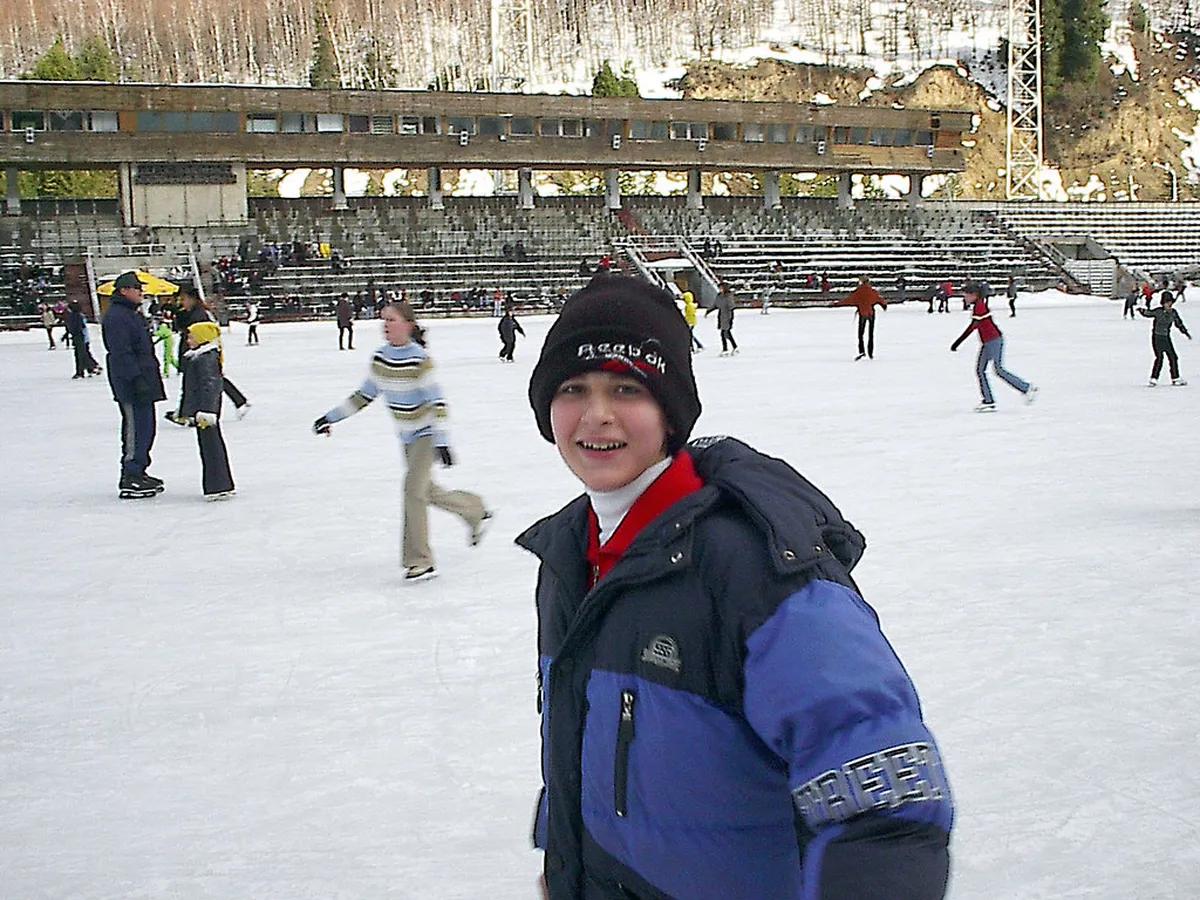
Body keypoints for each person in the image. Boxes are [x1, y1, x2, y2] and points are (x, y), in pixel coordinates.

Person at [518, 275, 953, 899]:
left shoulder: (755, 566)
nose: (597, 415)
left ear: (670, 411)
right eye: (573, 389)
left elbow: (886, 802)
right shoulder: (569, 553)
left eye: (627, 389)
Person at [312, 301, 491, 582]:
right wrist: (330, 418)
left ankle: (420, 560)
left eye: (392, 320)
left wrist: (442, 442)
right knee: (425, 490)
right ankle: (475, 510)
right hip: (406, 438)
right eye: (383, 320)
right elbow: (363, 397)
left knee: (412, 491)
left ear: (407, 325)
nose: (386, 324)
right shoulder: (380, 358)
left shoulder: (419, 359)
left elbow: (438, 403)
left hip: (426, 435)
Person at [101, 271, 167, 499]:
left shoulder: (131, 314)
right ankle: (130, 474)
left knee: (146, 427)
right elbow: (121, 352)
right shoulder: (117, 316)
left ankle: (140, 468)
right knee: (135, 428)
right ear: (123, 291)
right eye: (136, 288)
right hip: (131, 382)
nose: (141, 292)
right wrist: (135, 378)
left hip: (144, 379)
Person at [950, 281, 1037, 412]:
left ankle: (1026, 387)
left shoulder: (980, 306)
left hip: (994, 340)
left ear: (974, 295)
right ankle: (988, 400)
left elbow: (973, 327)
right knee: (980, 370)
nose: (964, 298)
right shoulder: (978, 305)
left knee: (998, 369)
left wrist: (958, 342)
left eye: (966, 295)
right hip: (987, 342)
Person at [180, 321, 236, 499]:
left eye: (191, 336)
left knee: (211, 448)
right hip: (200, 411)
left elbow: (210, 386)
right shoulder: (198, 357)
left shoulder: (206, 359)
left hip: (205, 413)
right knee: (208, 447)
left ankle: (218, 485)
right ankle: (218, 484)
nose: (188, 340)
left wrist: (207, 411)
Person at [1139, 291, 1191, 386]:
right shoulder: (1158, 311)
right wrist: (1142, 310)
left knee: (1173, 357)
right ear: (1163, 303)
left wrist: (1185, 332)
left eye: (1170, 302)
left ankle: (1175, 378)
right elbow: (1149, 313)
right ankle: (1153, 379)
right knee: (1159, 358)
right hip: (1157, 337)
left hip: (1166, 337)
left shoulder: (1173, 313)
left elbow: (1178, 323)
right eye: (1167, 302)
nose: (1169, 304)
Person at [834, 277, 887, 360]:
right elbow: (879, 299)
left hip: (862, 312)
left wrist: (837, 304)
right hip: (871, 313)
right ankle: (870, 352)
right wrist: (884, 305)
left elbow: (849, 300)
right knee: (871, 334)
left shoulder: (858, 292)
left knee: (860, 334)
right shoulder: (872, 291)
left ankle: (862, 350)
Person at [66, 301, 102, 378]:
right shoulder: (79, 315)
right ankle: (90, 368)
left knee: (82, 355)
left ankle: (88, 369)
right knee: (84, 354)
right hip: (83, 337)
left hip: (80, 337)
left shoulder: (75, 316)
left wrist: (73, 334)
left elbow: (77, 327)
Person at [705, 283, 738, 356]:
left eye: (721, 288)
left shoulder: (728, 296)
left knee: (723, 333)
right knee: (727, 333)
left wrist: (730, 317)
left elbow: (731, 306)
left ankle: (725, 349)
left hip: (727, 316)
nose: (720, 289)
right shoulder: (719, 296)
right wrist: (708, 311)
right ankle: (735, 346)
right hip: (721, 316)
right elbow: (715, 305)